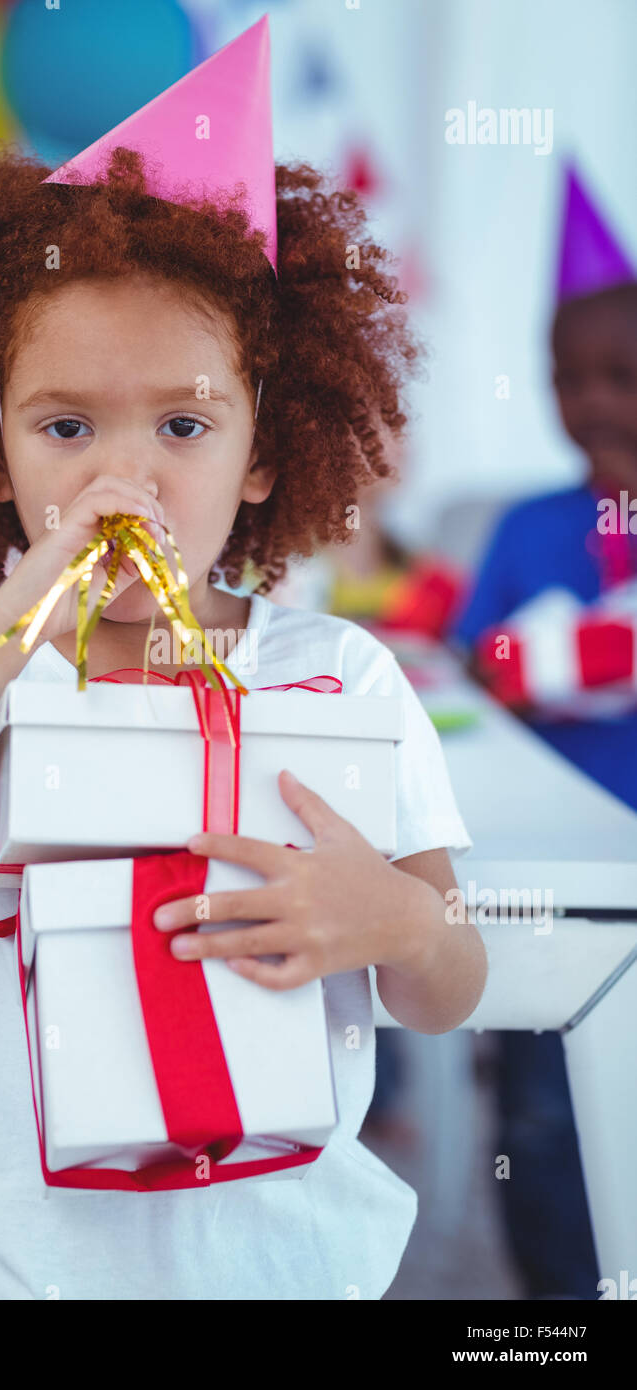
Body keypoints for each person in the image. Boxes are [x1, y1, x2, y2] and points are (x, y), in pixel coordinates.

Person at [0, 19, 482, 1300]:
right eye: (65, 425)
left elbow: (446, 979)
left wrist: (391, 922)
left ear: (262, 454)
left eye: (182, 421)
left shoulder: (342, 674)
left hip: (291, 1270)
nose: (125, 475)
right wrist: (11, 629)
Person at [448, 161, 637, 1299]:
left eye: (623, 377)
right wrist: (541, 657)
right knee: (543, 1107)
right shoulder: (527, 527)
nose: (594, 403)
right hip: (543, 884)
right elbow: (479, 668)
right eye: (570, 380)